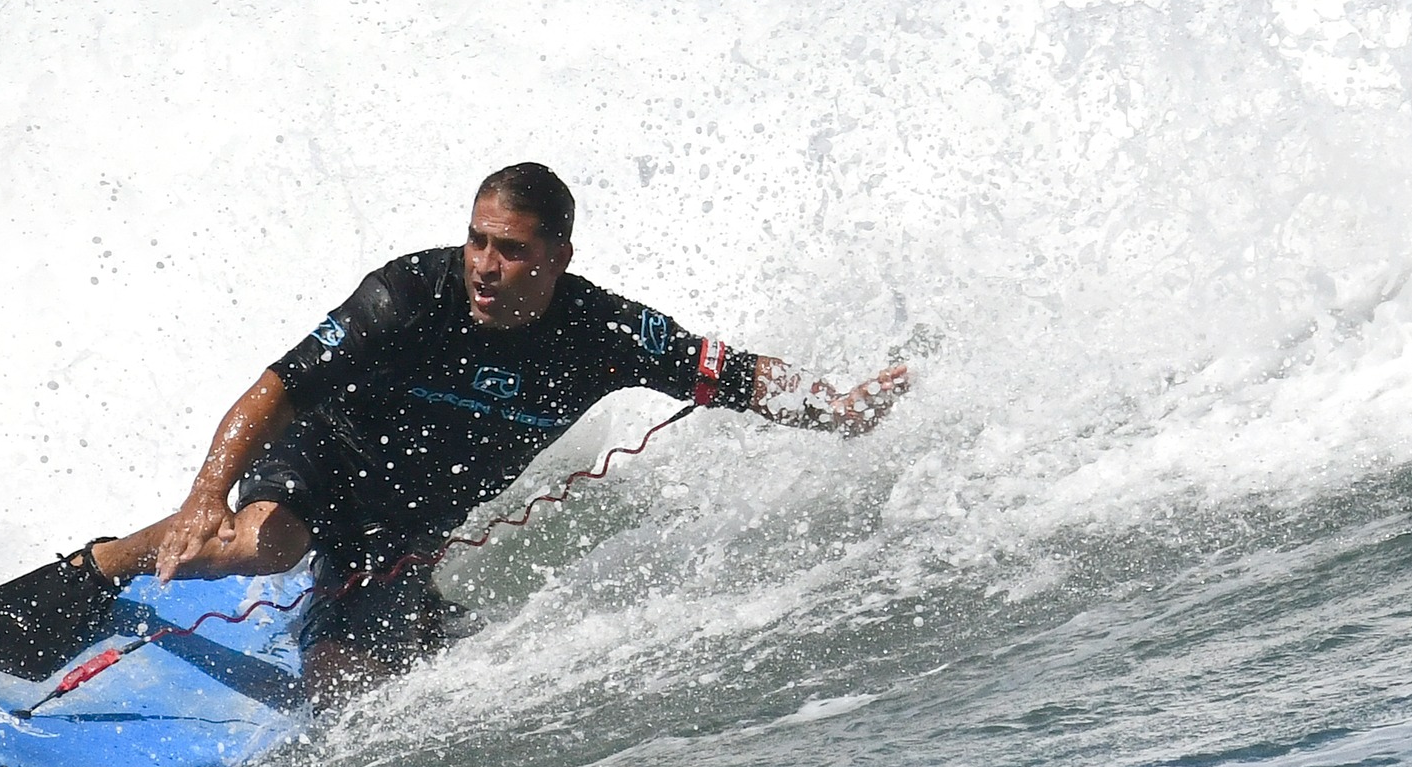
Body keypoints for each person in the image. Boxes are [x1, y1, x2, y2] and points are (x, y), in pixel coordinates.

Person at [60, 162, 909, 703]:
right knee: (265, 542)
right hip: (325, 458)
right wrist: (207, 492)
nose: (483, 265)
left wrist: (835, 409)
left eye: (508, 249)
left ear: (558, 256)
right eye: (476, 239)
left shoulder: (603, 333)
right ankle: (97, 567)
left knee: (345, 698)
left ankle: (405, 611)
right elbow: (275, 386)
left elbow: (738, 371)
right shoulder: (409, 291)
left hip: (405, 532)